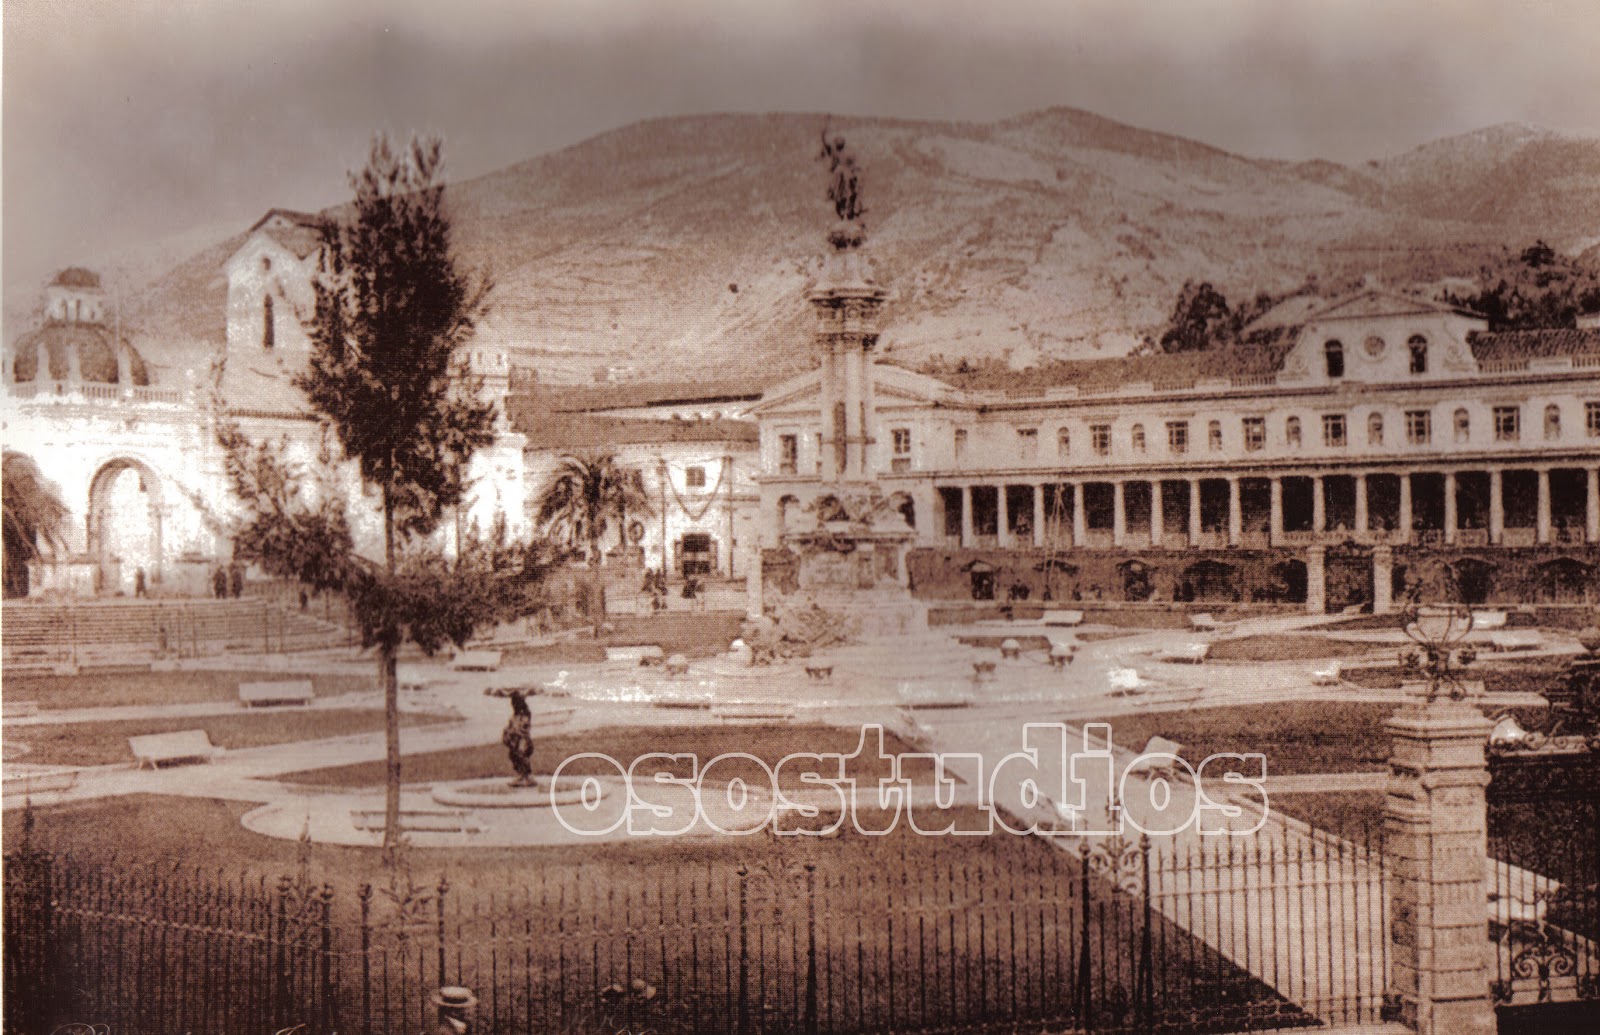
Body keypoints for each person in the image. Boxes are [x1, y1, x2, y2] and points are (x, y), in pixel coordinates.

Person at [501, 692, 535, 787]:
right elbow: (511, 725)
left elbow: (524, 727)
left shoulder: (525, 714)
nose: (512, 705)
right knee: (513, 755)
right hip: (515, 741)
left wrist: (514, 731)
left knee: (521, 755)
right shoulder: (514, 716)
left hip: (522, 741)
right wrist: (508, 730)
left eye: (514, 703)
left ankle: (527, 776)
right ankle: (521, 775)